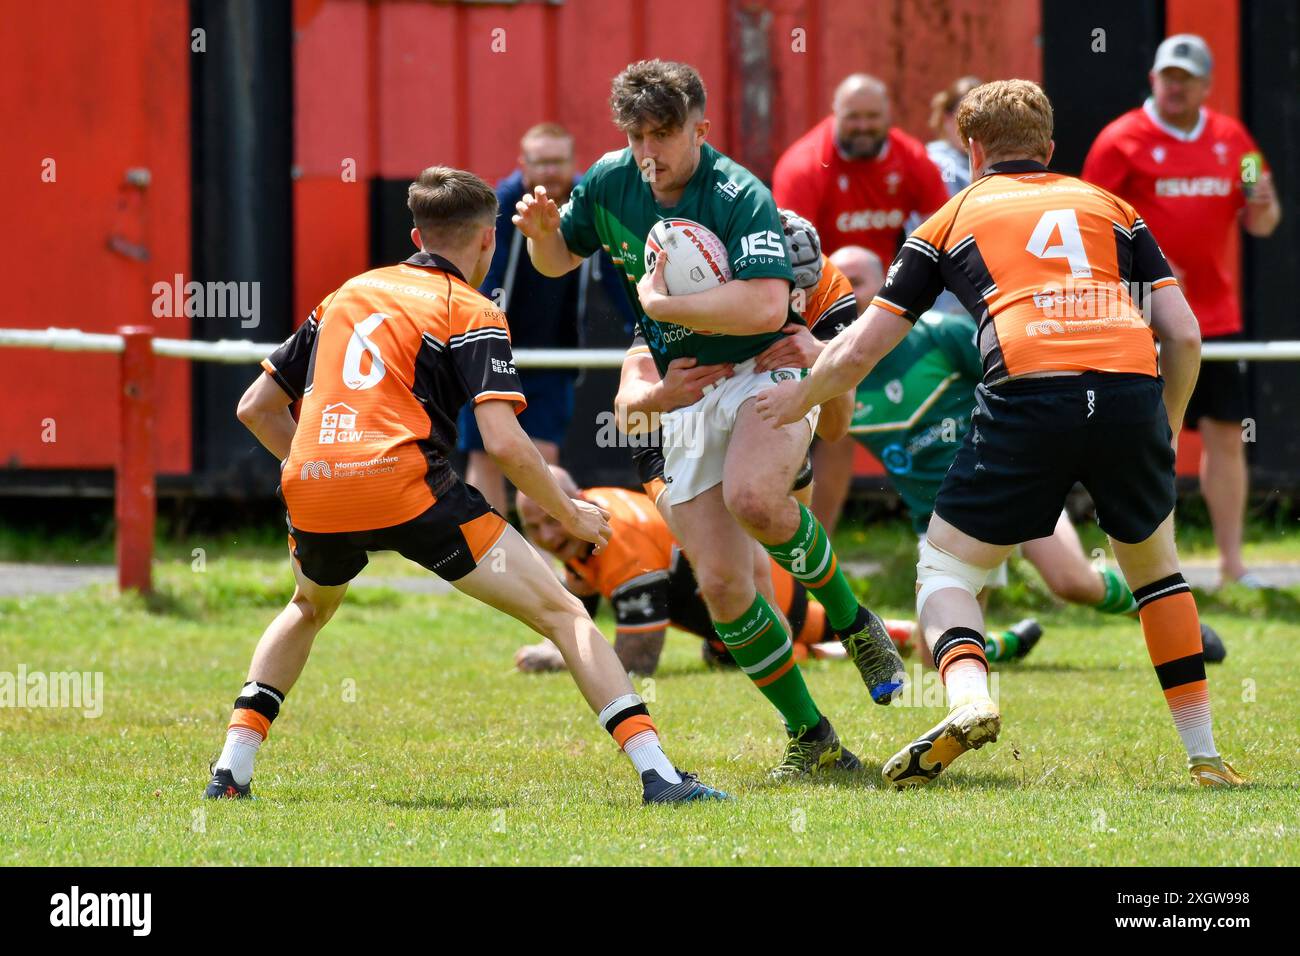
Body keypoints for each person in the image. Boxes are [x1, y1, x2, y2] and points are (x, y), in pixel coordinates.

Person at [757, 80, 1245, 789]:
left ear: (973, 150)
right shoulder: (1112, 207)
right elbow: (1185, 335)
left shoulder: (950, 218)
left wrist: (799, 397)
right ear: (1050, 147)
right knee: (1157, 575)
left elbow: (860, 349)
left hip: (1028, 394)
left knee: (947, 570)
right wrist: (1163, 426)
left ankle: (970, 698)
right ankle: (1203, 754)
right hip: (1128, 389)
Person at [205, 166, 726, 805]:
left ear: (417, 235)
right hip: (410, 485)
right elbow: (504, 442)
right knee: (564, 614)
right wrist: (570, 512)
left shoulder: (345, 295)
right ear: (488, 241)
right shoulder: (471, 309)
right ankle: (660, 777)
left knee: (308, 608)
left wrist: (326, 466)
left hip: (312, 484)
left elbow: (255, 408)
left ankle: (230, 772)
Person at [513, 59, 906, 780]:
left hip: (763, 365)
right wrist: (542, 237)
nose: (648, 152)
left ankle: (855, 624)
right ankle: (812, 738)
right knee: (723, 586)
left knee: (754, 499)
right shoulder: (609, 181)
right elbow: (557, 259)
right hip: (690, 389)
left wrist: (661, 306)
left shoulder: (738, 192)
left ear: (700, 128)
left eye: (663, 135)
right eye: (635, 136)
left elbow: (763, 306)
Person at [1083, 34, 1282, 588]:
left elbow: (1261, 216)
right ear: (1153, 79)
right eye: (1168, 76)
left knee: (1227, 434)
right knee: (1147, 435)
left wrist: (1263, 201)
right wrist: (1148, 265)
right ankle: (1144, 568)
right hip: (1140, 316)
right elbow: (1089, 223)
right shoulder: (1120, 140)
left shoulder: (1234, 141)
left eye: (1186, 79)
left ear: (1205, 86)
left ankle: (1233, 566)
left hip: (1215, 316)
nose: (1175, 86)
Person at [773, 74, 949, 534]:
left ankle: (828, 541)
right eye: (854, 117)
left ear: (889, 115)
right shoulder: (804, 167)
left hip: (886, 302)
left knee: (850, 424)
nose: (864, 126)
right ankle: (798, 541)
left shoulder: (911, 158)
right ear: (835, 114)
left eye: (873, 117)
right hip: (815, 303)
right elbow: (787, 259)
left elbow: (945, 231)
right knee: (813, 421)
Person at [456, 122, 633, 515]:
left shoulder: (589, 201)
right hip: (492, 349)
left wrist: (640, 328)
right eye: (541, 162)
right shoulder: (498, 204)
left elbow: (617, 270)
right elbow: (487, 276)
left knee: (543, 456)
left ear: (573, 162)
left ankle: (543, 543)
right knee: (485, 453)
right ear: (523, 164)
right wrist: (482, 338)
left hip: (555, 352)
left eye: (558, 162)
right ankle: (486, 546)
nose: (550, 171)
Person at [513, 467, 845, 674]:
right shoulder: (589, 510)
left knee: (746, 655)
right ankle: (858, 633)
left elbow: (639, 660)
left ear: (574, 501)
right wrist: (555, 646)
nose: (547, 537)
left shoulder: (621, 544)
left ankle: (816, 649)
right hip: (756, 582)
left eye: (552, 519)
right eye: (534, 527)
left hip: (768, 596)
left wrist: (562, 662)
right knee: (728, 653)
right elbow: (581, 598)